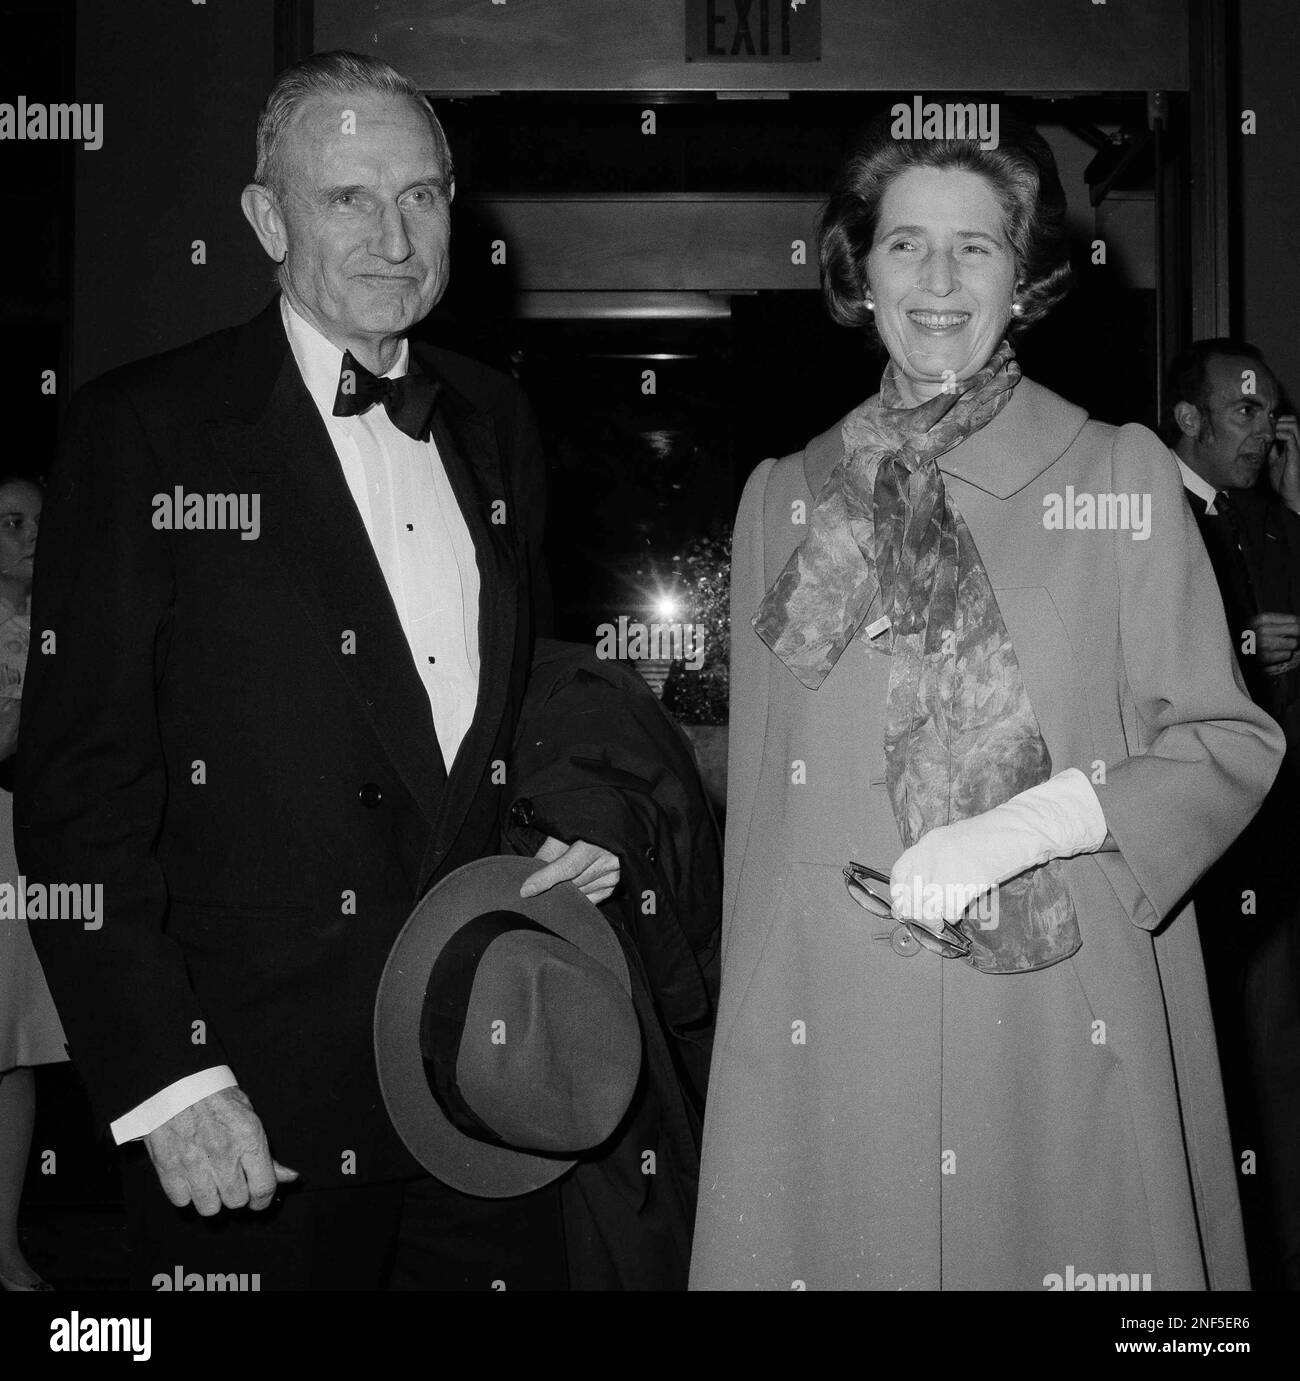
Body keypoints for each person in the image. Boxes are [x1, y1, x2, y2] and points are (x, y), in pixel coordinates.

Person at [15, 50, 626, 1291]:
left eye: (422, 195)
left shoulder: (494, 418)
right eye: (349, 197)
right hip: (248, 1102)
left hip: (477, 1069)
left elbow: (519, 705)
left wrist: (564, 825)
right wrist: (164, 1075)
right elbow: (78, 793)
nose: (395, 236)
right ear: (264, 217)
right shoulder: (144, 429)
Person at [690, 112, 1283, 1290]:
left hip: (1059, 1011)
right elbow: (759, 814)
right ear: (858, 273)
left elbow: (1226, 742)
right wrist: (753, 1037)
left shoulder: (1117, 475)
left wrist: (1041, 820)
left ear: (1028, 274)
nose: (940, 280)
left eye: (976, 247)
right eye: (906, 245)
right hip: (834, 1024)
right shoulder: (783, 497)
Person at [1167, 338, 1300, 1290]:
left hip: (1271, 850)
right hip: (1192, 857)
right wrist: (1249, 654)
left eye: (1269, 413)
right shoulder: (1143, 515)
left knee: (1274, 1063)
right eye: (1244, 410)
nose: (1261, 428)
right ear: (1190, 419)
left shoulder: (1262, 521)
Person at [0, 473, 65, 1292]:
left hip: (26, 844)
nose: (28, 534)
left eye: (38, 520)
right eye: (10, 521)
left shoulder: (63, 613)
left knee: (14, 1050)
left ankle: (6, 1248)